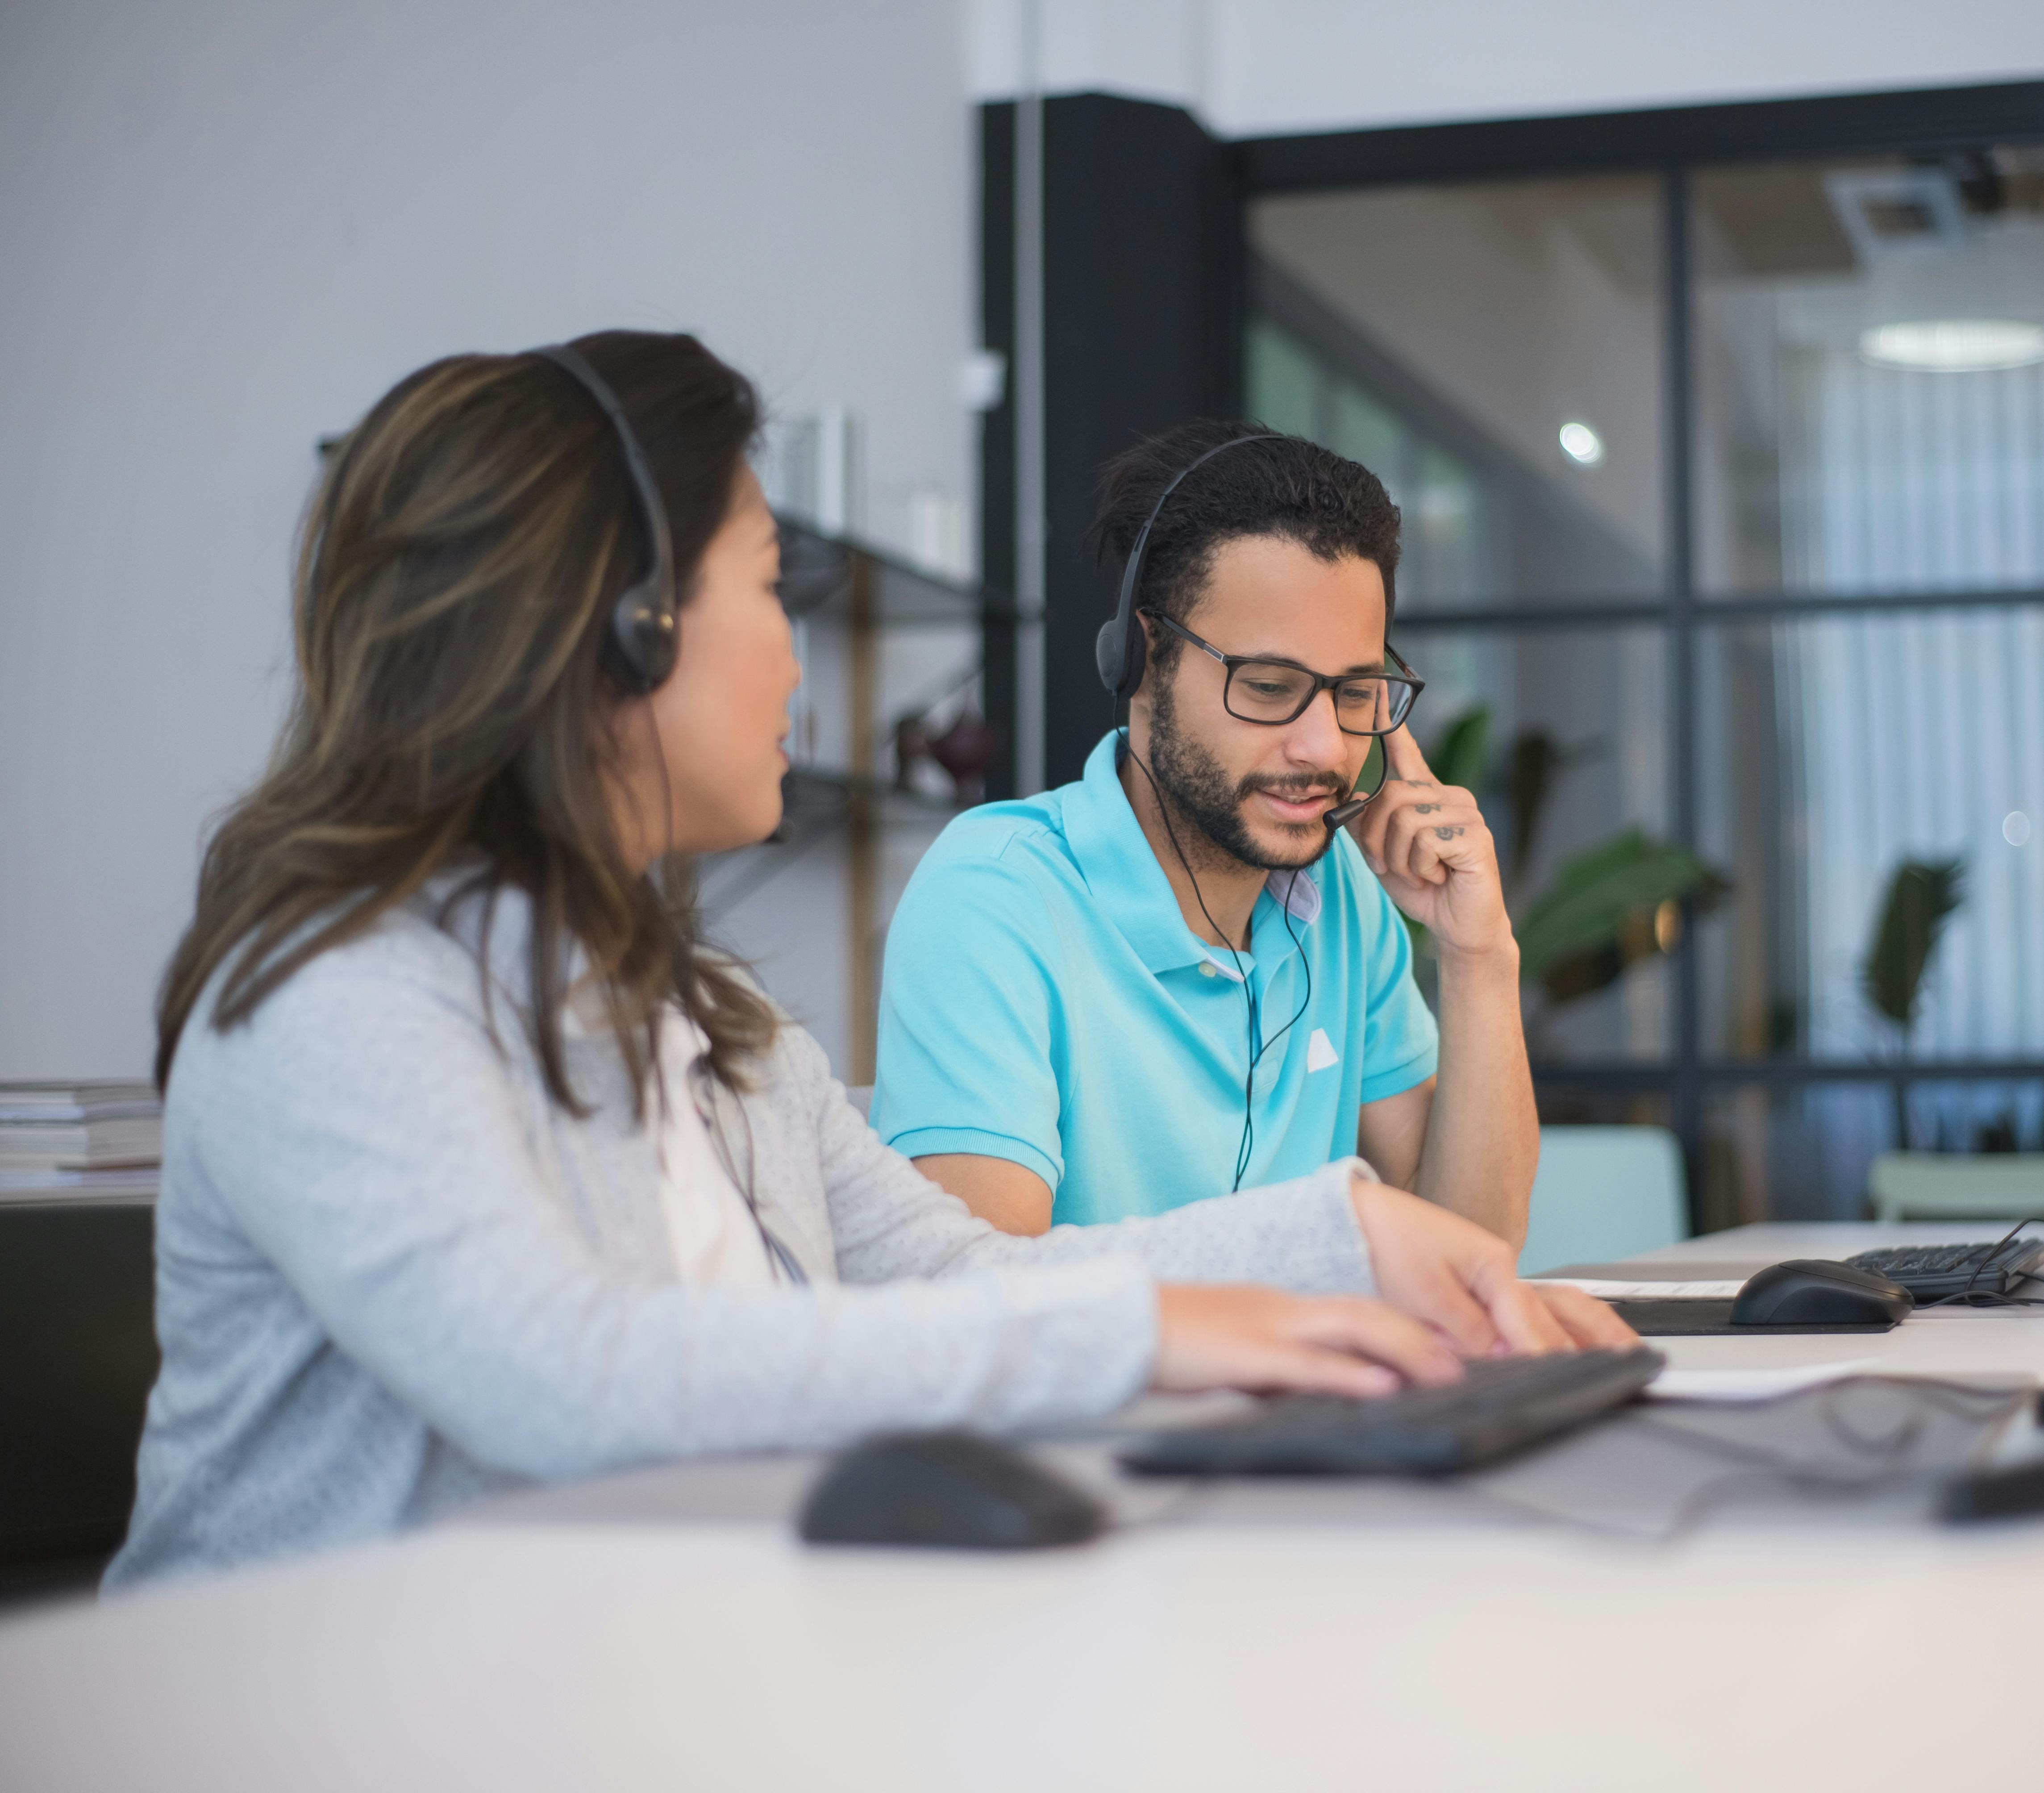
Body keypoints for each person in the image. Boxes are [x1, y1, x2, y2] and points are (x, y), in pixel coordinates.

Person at [112, 334, 1624, 1589]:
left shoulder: (716, 1031)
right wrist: (1191, 1311)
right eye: (765, 590)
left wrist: (1345, 1242)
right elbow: (568, 1373)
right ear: (620, 635)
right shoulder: (337, 988)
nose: (791, 658)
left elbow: (965, 1280)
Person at [873, 423, 1543, 1255]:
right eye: (1268, 687)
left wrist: (1480, 956)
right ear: (1142, 663)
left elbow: (1471, 1253)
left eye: (1357, 693)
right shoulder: (996, 899)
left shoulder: (1346, 899)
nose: (1326, 749)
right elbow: (990, 1308)